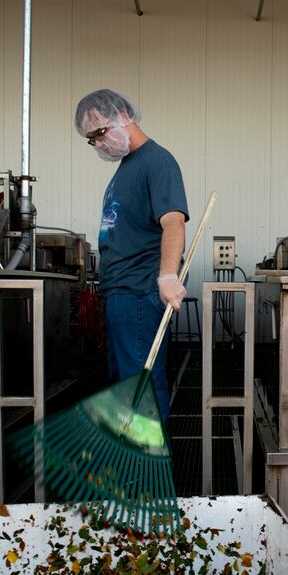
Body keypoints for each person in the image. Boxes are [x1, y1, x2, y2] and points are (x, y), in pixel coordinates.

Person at [74, 89, 188, 424]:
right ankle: (137, 469)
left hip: (139, 293)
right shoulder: (127, 167)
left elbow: (173, 222)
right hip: (122, 293)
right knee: (129, 387)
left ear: (124, 115)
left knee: (141, 390)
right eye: (91, 139)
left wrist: (167, 275)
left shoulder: (157, 162)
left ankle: (146, 474)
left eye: (100, 133)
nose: (98, 144)